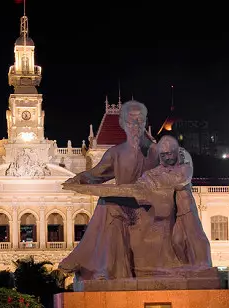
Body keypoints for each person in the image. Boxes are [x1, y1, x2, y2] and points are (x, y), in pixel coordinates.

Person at [59, 100, 159, 280]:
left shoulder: (156, 152)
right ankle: (114, 271)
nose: (135, 125)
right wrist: (79, 178)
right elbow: (95, 174)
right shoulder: (116, 152)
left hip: (151, 208)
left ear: (145, 122)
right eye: (131, 121)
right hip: (126, 205)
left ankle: (85, 260)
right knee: (109, 205)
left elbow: (174, 175)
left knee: (109, 204)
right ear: (122, 124)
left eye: (140, 120)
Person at [133, 135, 212, 271]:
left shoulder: (184, 165)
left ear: (176, 151)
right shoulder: (164, 168)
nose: (167, 158)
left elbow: (179, 180)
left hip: (186, 208)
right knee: (177, 240)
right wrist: (146, 178)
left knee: (195, 235)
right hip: (174, 212)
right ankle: (186, 265)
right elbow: (155, 174)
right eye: (163, 155)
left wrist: (153, 180)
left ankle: (204, 264)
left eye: (169, 154)